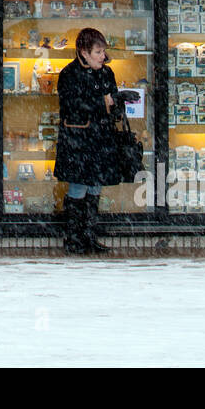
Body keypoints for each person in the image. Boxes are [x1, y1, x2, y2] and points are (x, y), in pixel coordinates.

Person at [55, 28, 122, 255]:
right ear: (83, 52)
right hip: (79, 141)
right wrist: (104, 101)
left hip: (100, 138)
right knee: (79, 186)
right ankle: (74, 238)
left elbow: (112, 105)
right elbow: (72, 106)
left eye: (103, 51)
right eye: (97, 51)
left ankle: (90, 236)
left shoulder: (106, 73)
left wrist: (118, 102)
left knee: (95, 186)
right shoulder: (69, 74)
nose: (102, 56)